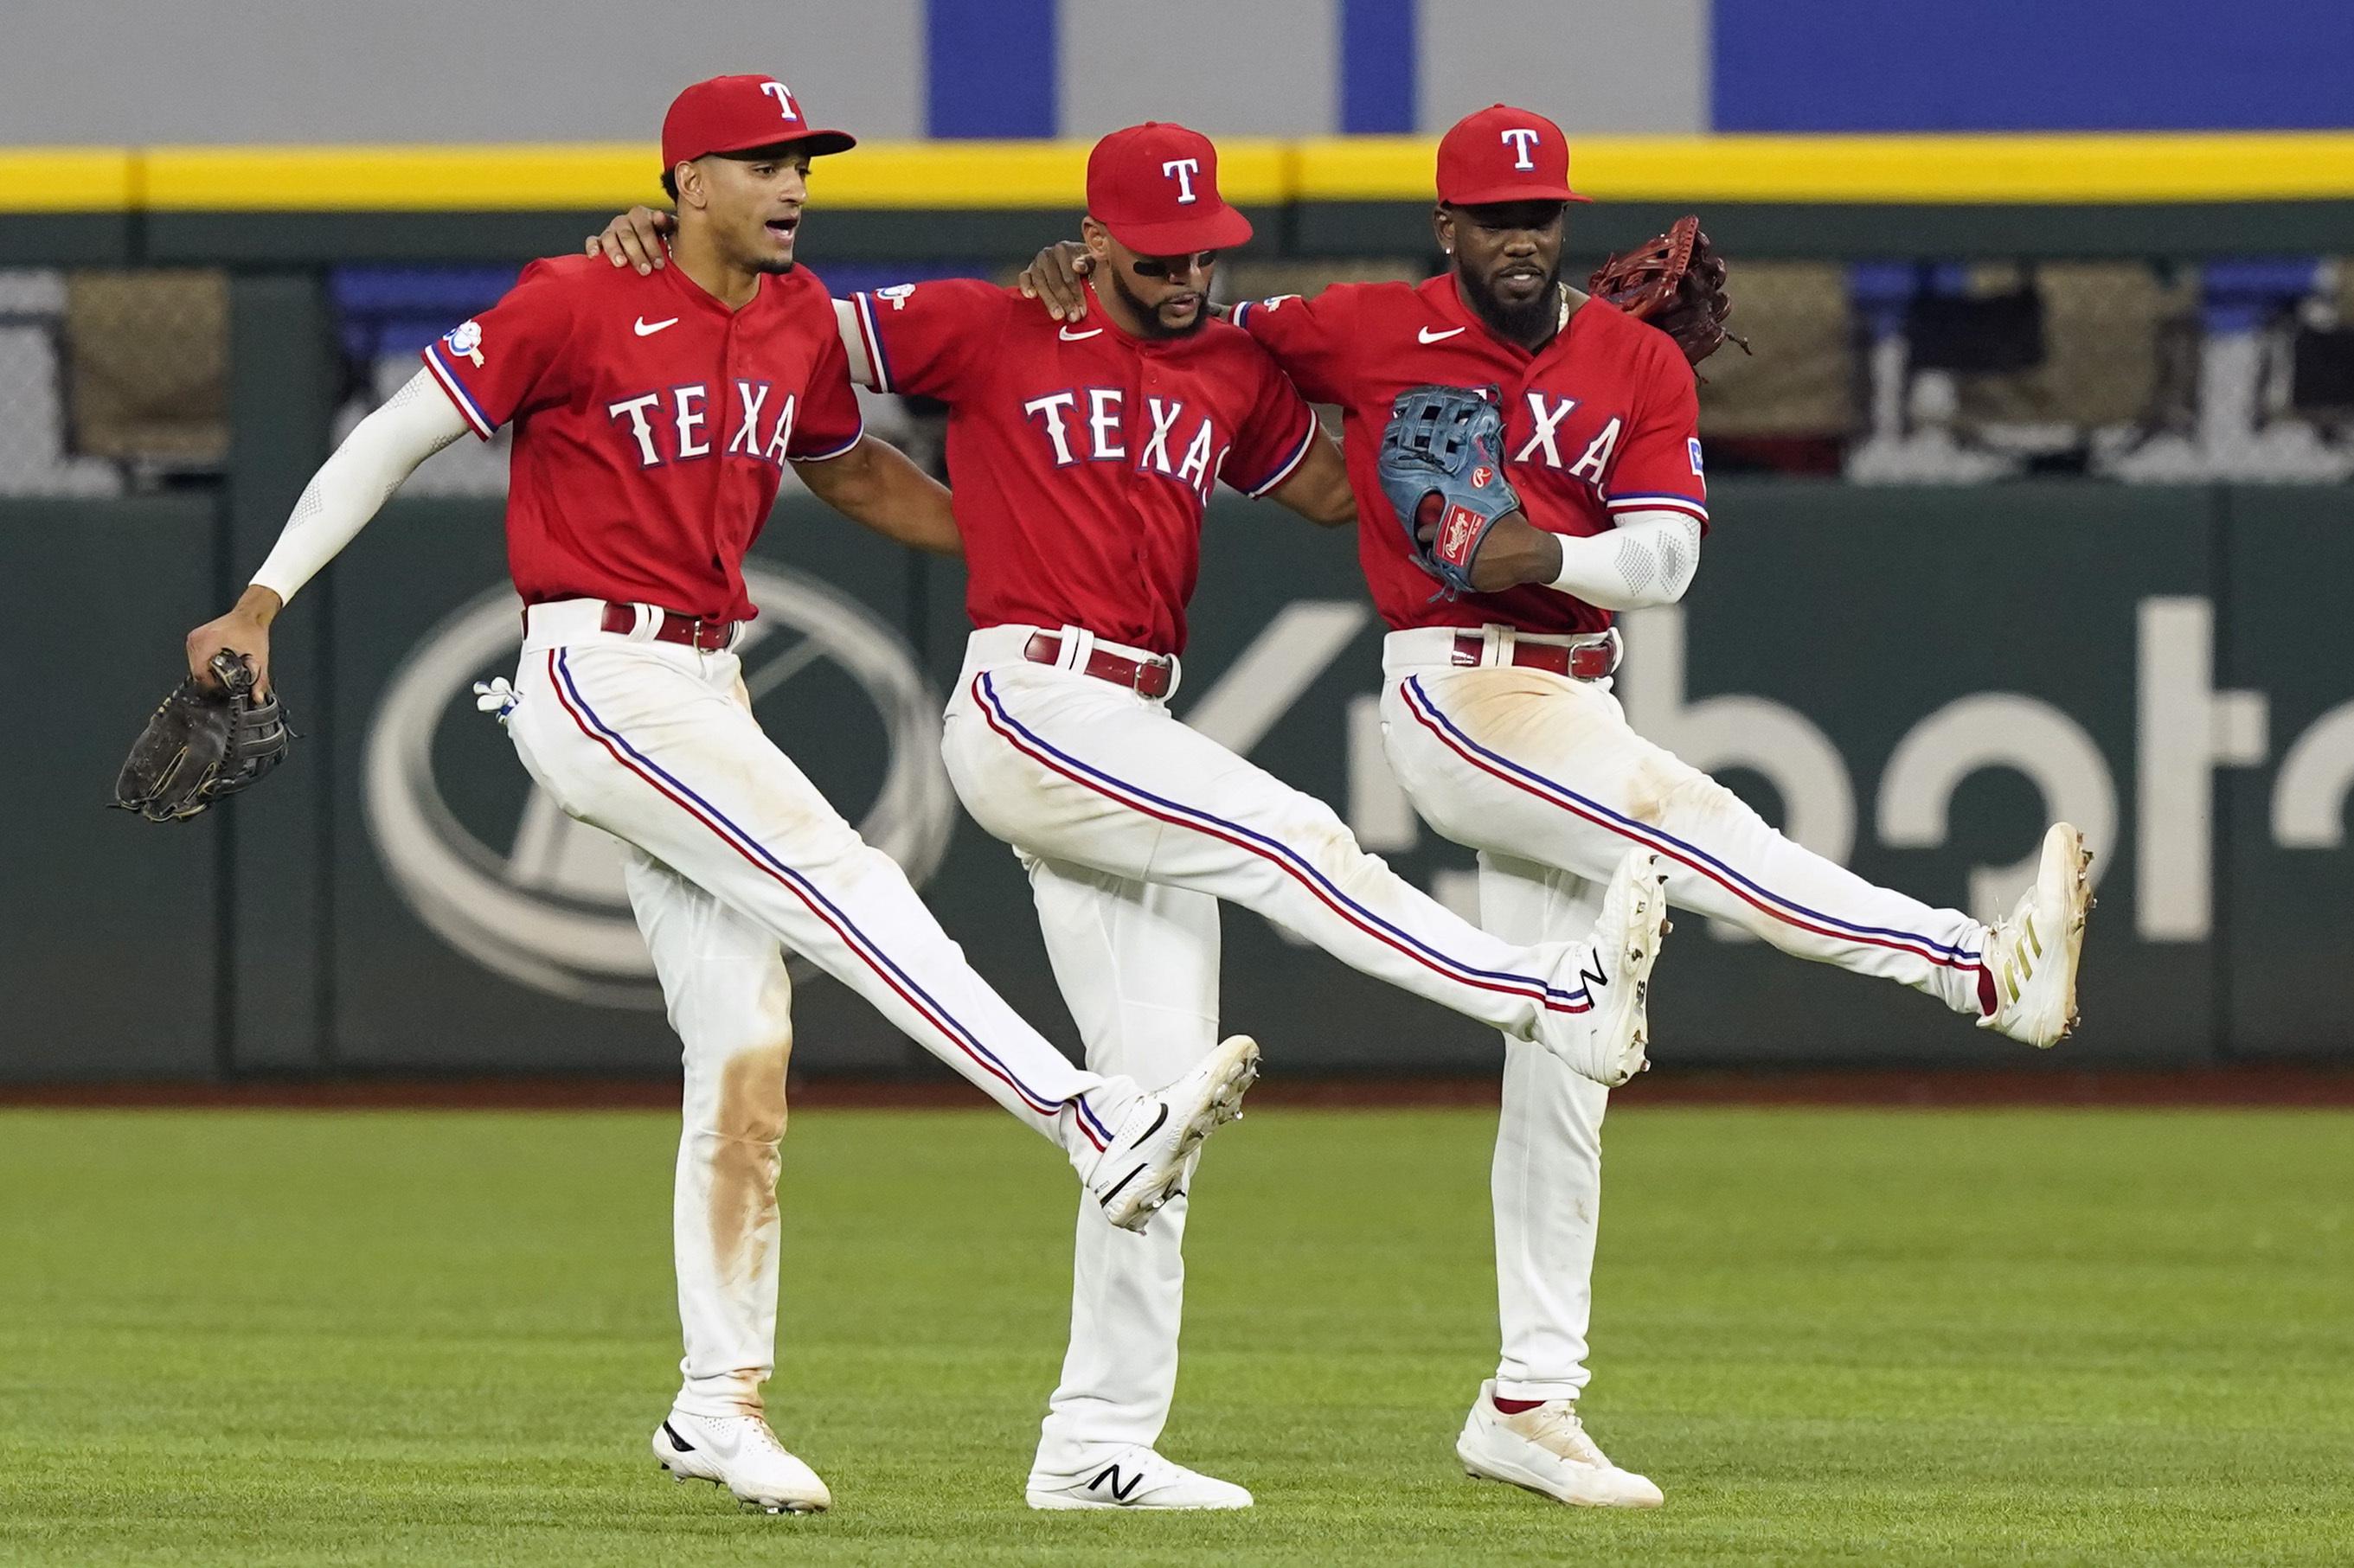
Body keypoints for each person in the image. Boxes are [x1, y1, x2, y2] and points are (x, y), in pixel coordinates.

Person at [178, 74, 1264, 1518]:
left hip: (706, 679)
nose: (794, 184)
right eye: (762, 164)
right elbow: (392, 437)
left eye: (803, 162)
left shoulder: (800, 322)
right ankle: (1084, 1117)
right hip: (595, 671)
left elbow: (856, 474)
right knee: (848, 880)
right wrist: (257, 601)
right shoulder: (574, 296)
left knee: (746, 1045)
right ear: (687, 181)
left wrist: (1025, 546)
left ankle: (716, 1406)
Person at [1010, 104, 2094, 1508]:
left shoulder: (1634, 358)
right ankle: (1971, 966)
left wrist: (1527, 543)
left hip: (1575, 683)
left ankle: (1528, 1399)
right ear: (1445, 225)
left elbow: (1661, 563)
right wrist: (1066, 274)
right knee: (1699, 831)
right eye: (1493, 216)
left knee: (1565, 1063)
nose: (1520, 238)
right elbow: (1185, 319)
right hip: (1461, 696)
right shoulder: (1357, 325)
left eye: (1540, 216)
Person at [594, 119, 1671, 1513]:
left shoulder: (1228, 364)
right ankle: (1544, 993)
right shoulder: (988, 325)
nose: (1186, 277)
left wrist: (1550, 394)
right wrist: (646, 241)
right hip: (1035, 702)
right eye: (1156, 255)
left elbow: (1348, 488)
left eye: (1203, 252)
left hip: (1132, 718)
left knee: (1158, 1110)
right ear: (1094, 240)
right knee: (1296, 838)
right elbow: (783, 319)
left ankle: (1093, 1441)